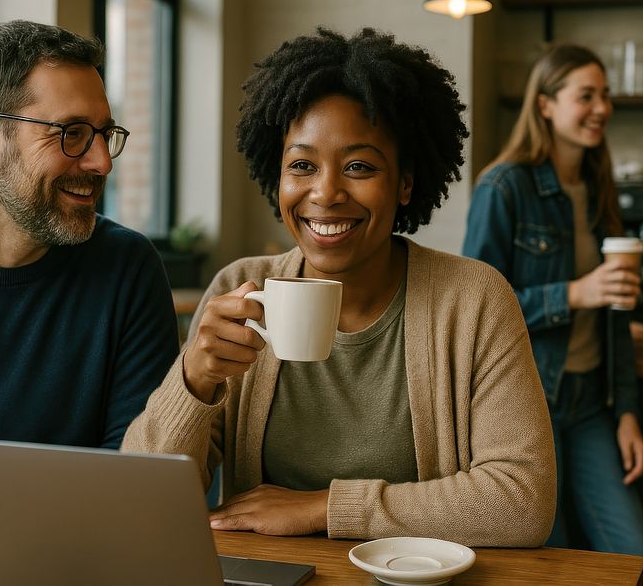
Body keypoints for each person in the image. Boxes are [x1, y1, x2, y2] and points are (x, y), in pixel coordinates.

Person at [122, 27, 556, 547]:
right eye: (301, 165)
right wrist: (194, 381)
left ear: (405, 182)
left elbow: (522, 502)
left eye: (359, 167)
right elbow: (140, 499)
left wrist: (321, 508)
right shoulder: (241, 288)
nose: (325, 193)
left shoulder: (475, 300)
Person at [0, 20, 180, 524]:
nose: (102, 162)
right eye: (72, 134)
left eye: (103, 134)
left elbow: (133, 488)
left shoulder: (127, 269)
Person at [461, 44, 643, 581]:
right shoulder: (503, 187)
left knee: (638, 563)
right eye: (586, 96)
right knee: (553, 568)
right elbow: (473, 314)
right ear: (545, 105)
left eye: (606, 96)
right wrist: (573, 294)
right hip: (529, 406)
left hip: (592, 403)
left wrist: (628, 411)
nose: (602, 108)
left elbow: (614, 314)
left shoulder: (598, 187)